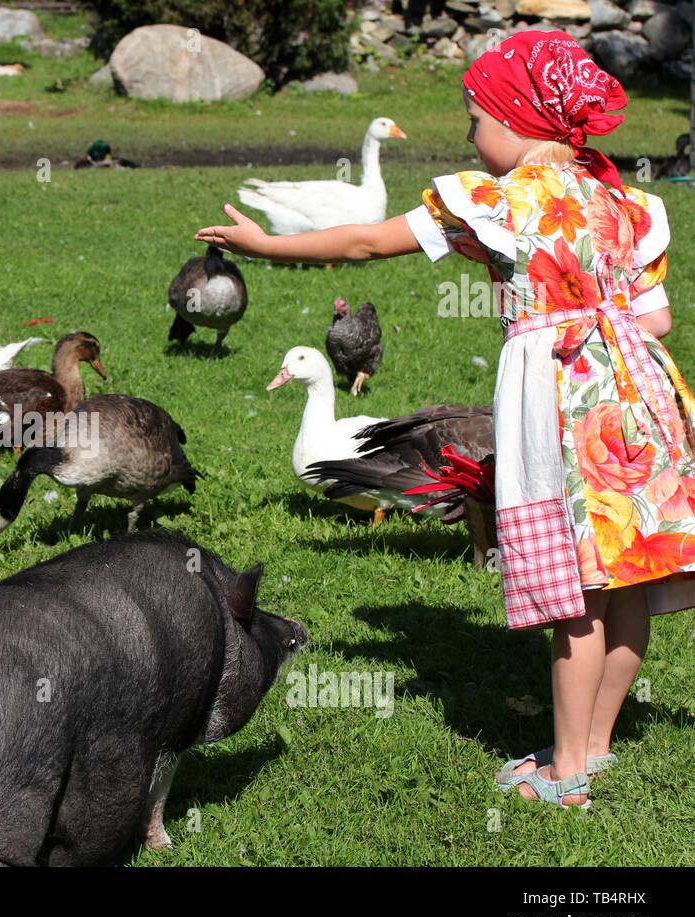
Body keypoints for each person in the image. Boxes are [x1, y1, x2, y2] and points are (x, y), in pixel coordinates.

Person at [197, 31, 686, 808]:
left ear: (516, 118)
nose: (467, 135)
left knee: (574, 597)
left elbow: (364, 242)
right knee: (623, 579)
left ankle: (563, 774)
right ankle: (595, 748)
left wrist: (266, 245)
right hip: (638, 406)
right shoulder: (624, 202)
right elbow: (655, 322)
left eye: (474, 119)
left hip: (558, 405)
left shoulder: (493, 200)